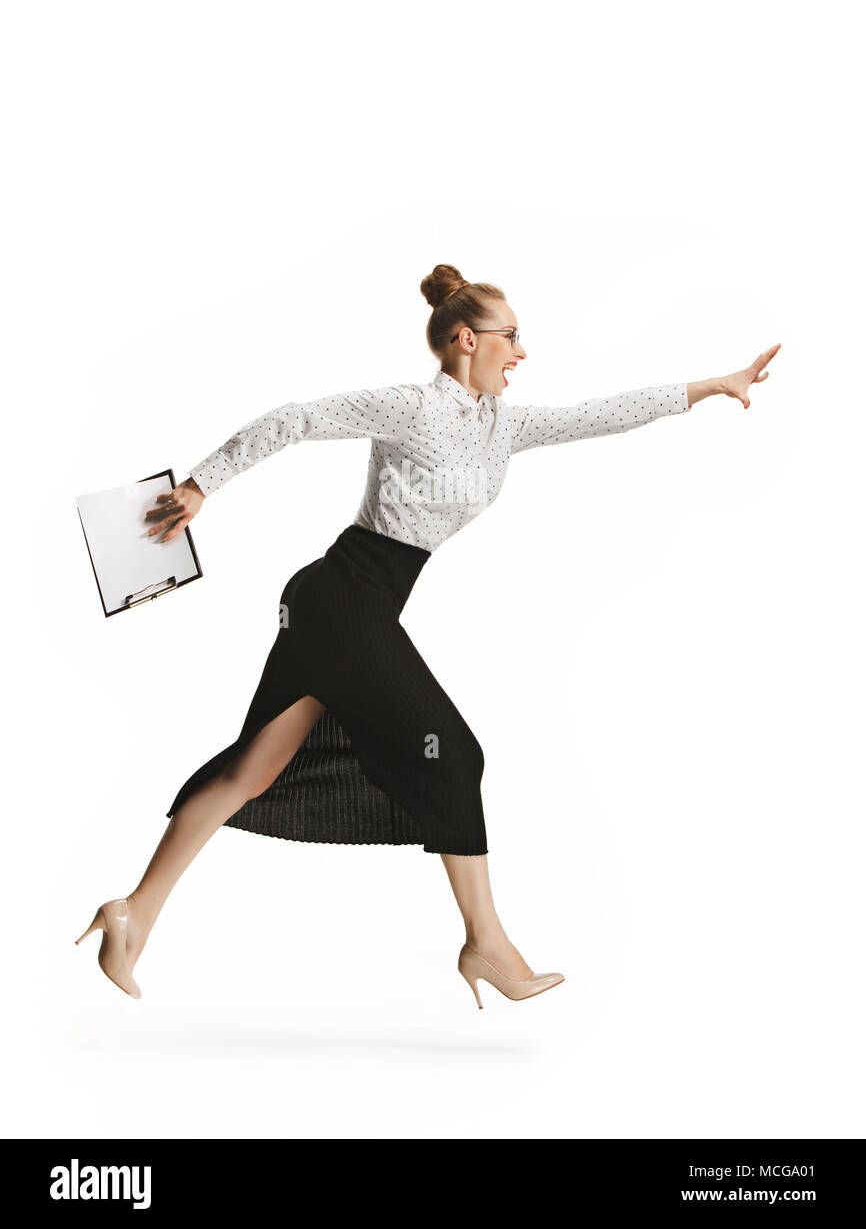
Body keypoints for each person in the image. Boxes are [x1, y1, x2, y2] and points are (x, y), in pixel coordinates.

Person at [75, 264, 781, 1008]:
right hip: (342, 601)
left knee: (249, 772)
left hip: (353, 606)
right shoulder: (411, 408)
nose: (523, 352)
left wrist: (710, 385)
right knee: (452, 754)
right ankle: (487, 943)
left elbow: (600, 414)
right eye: (513, 337)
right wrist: (200, 484)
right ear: (465, 339)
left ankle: (132, 913)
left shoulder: (504, 425)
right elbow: (295, 418)